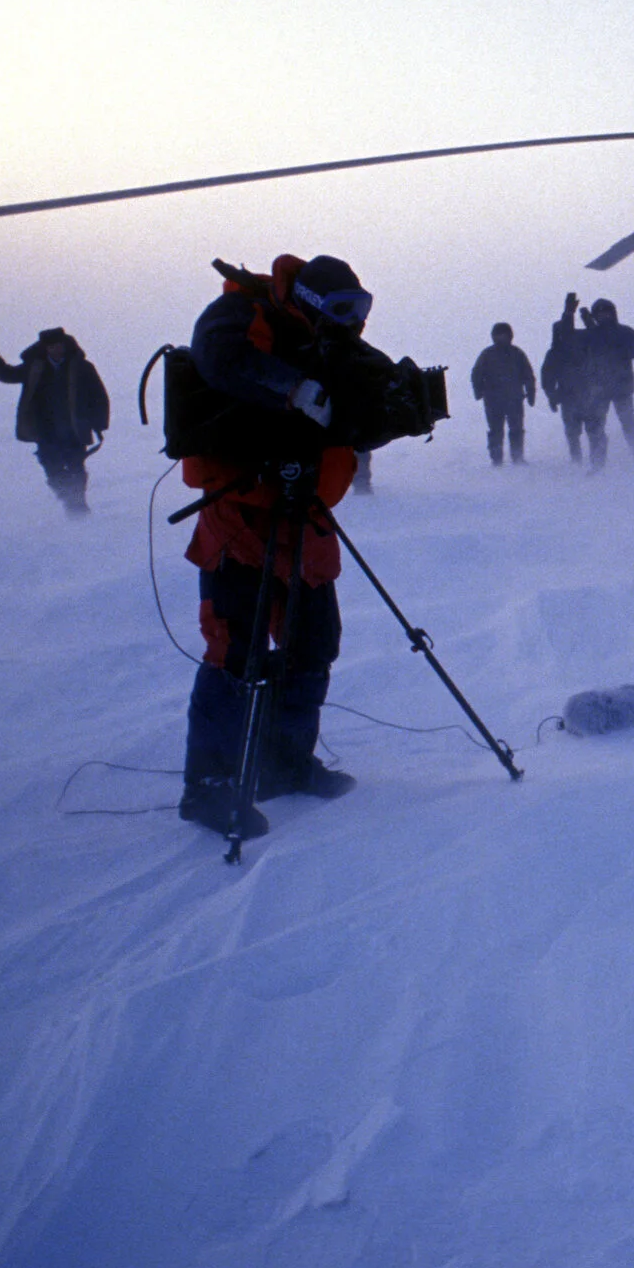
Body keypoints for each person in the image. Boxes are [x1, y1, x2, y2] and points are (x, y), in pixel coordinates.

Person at [174, 254, 373, 839]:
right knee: (236, 650)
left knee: (314, 644)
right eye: (342, 309)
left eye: (360, 309)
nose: (354, 322)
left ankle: (282, 766)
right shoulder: (241, 311)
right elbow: (220, 356)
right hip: (240, 516)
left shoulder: (334, 343)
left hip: (303, 513)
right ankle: (208, 787)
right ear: (309, 302)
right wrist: (291, 388)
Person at [0, 327, 109, 515]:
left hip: (75, 430)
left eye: (60, 345)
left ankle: (78, 506)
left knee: (76, 469)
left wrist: (99, 423)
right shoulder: (34, 367)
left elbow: (99, 395)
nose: (57, 350)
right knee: (53, 471)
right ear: (45, 348)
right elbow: (6, 375)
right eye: (52, 347)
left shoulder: (82, 367)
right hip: (46, 432)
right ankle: (69, 503)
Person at [581, 297, 634, 461]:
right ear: (595, 317)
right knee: (597, 428)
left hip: (621, 389)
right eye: (600, 315)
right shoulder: (592, 335)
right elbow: (579, 360)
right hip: (600, 390)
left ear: (613, 314)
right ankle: (597, 463)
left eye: (607, 313)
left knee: (628, 426)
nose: (604, 317)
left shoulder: (625, 334)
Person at [541, 292, 603, 468]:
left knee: (586, 434)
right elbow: (548, 378)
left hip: (584, 397)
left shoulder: (580, 346)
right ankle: (583, 463)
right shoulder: (559, 353)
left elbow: (547, 378)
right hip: (573, 399)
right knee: (579, 434)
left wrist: (575, 314)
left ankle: (591, 464)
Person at [469, 321, 538, 465]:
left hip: (514, 399)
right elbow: (476, 374)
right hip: (493, 400)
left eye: (503, 335)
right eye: (498, 335)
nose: (501, 338)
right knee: (495, 431)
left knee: (516, 430)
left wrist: (531, 392)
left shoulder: (517, 354)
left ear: (509, 336)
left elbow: (528, 374)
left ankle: (517, 458)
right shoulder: (487, 354)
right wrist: (478, 391)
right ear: (493, 337)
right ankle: (496, 460)